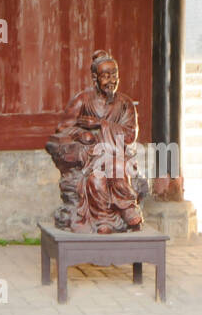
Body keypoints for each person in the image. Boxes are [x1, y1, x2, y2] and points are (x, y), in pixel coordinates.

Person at [46, 49, 143, 233]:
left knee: (116, 167)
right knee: (96, 180)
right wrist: (81, 134)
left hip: (116, 153)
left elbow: (130, 134)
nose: (111, 81)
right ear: (95, 78)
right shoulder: (83, 100)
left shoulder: (125, 103)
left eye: (114, 75)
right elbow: (63, 128)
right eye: (105, 76)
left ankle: (127, 207)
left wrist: (100, 124)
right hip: (91, 155)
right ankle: (104, 219)